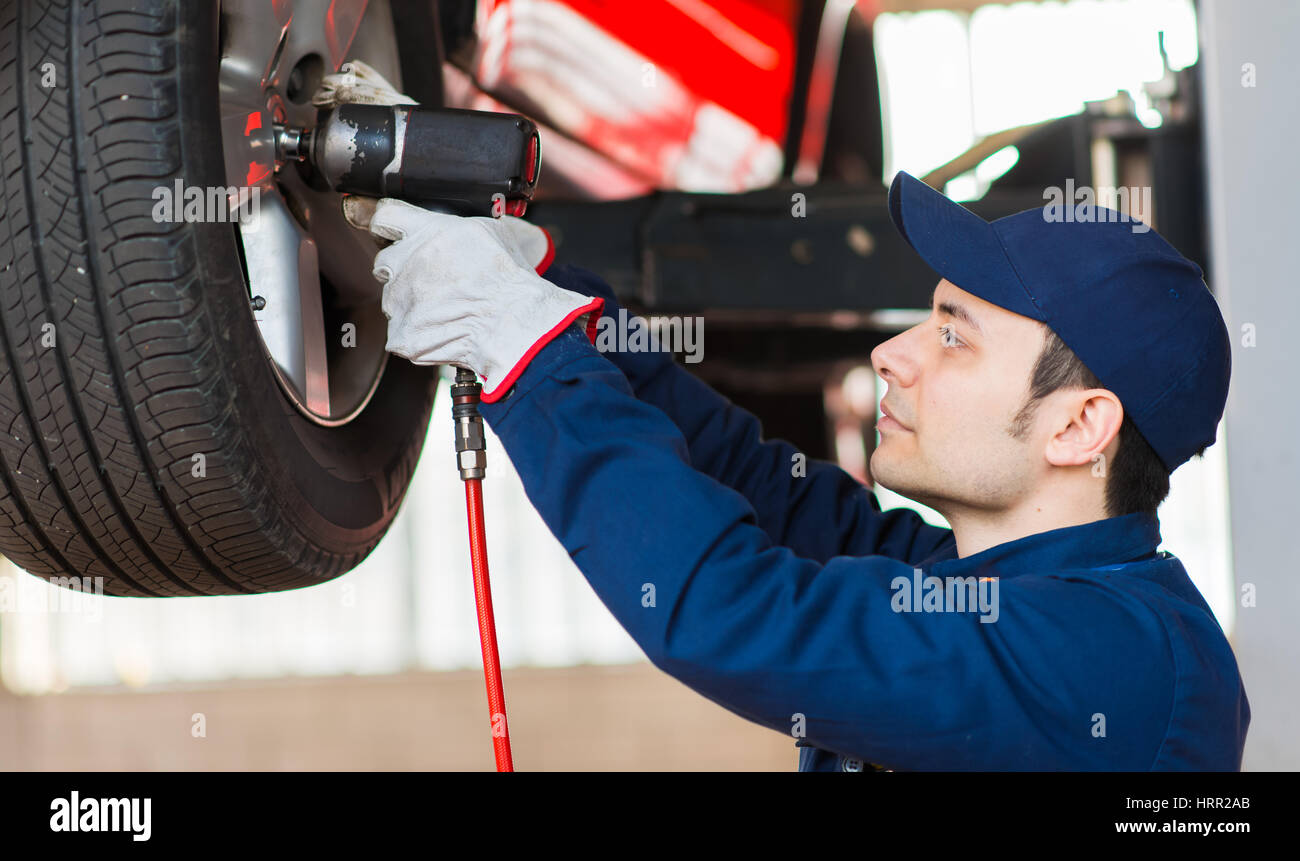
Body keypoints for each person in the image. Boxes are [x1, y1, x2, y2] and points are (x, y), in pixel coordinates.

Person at [319, 64, 1249, 770]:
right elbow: (767, 494)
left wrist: (524, 351)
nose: (893, 354)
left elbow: (742, 614)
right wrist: (541, 288)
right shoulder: (988, 585)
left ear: (1080, 428)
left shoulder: (1124, 659)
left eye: (955, 338)